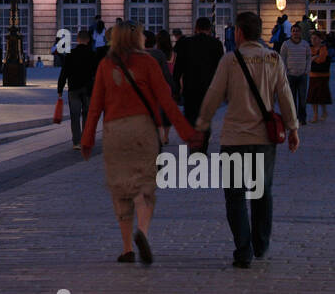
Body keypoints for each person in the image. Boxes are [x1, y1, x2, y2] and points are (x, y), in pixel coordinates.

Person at [81, 24, 201, 265]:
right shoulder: (148, 63)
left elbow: (95, 106)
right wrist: (188, 133)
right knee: (145, 185)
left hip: (115, 131)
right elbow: (167, 102)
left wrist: (87, 138)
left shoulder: (106, 65)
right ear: (139, 39)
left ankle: (127, 249)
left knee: (120, 188)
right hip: (142, 129)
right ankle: (143, 232)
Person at [197, 11, 300, 268]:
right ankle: (261, 245)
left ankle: (243, 249)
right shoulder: (273, 58)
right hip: (264, 138)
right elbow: (285, 96)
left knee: (235, 195)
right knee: (262, 192)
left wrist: (201, 125)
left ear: (239, 33)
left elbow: (213, 95)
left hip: (234, 137)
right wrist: (293, 128)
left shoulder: (230, 60)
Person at [172, 16, 224, 152]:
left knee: (191, 116)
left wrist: (176, 89)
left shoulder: (186, 43)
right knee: (205, 118)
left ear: (196, 28)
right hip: (209, 88)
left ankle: (194, 146)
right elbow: (221, 70)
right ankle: (203, 147)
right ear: (210, 29)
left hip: (190, 88)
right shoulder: (216, 44)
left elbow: (178, 70)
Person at [57, 28, 96, 148]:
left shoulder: (70, 54)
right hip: (89, 89)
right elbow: (97, 73)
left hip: (73, 88)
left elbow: (64, 73)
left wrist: (60, 89)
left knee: (75, 115)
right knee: (87, 115)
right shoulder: (93, 55)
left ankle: (76, 142)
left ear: (77, 39)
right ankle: (85, 139)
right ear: (88, 40)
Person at [279, 23, 312, 125]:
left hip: (302, 75)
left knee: (302, 98)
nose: (295, 33)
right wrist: (285, 71)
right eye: (293, 31)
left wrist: (307, 70)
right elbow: (282, 58)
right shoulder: (286, 44)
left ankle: (302, 118)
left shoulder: (305, 44)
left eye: (297, 31)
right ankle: (293, 118)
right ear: (291, 32)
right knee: (292, 99)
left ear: (300, 32)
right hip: (290, 75)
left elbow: (309, 57)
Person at [306, 31, 332, 122]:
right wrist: (315, 57)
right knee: (313, 96)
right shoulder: (310, 48)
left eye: (315, 38)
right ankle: (315, 115)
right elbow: (308, 59)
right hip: (313, 75)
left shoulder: (323, 48)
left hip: (323, 75)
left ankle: (324, 112)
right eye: (312, 38)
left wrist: (314, 58)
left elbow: (322, 59)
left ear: (320, 39)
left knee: (321, 95)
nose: (313, 40)